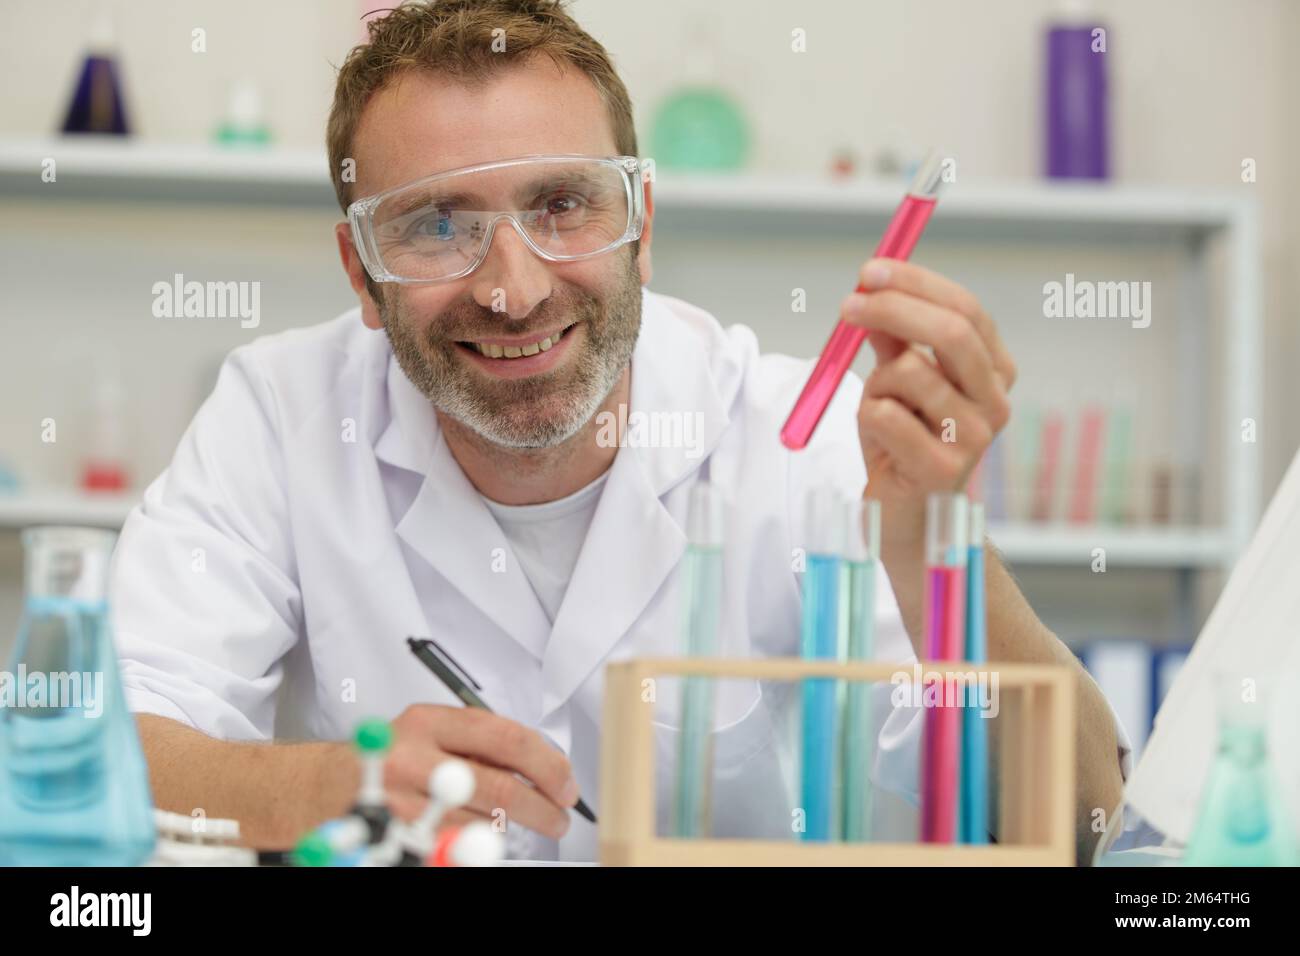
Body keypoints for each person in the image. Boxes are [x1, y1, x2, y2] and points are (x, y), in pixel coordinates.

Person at [115, 0, 1127, 862]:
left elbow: (1089, 825)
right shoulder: (280, 416)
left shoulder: (807, 443)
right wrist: (341, 780)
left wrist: (935, 542)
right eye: (436, 225)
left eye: (561, 204)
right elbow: (103, 744)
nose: (511, 289)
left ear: (641, 226)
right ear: (359, 272)